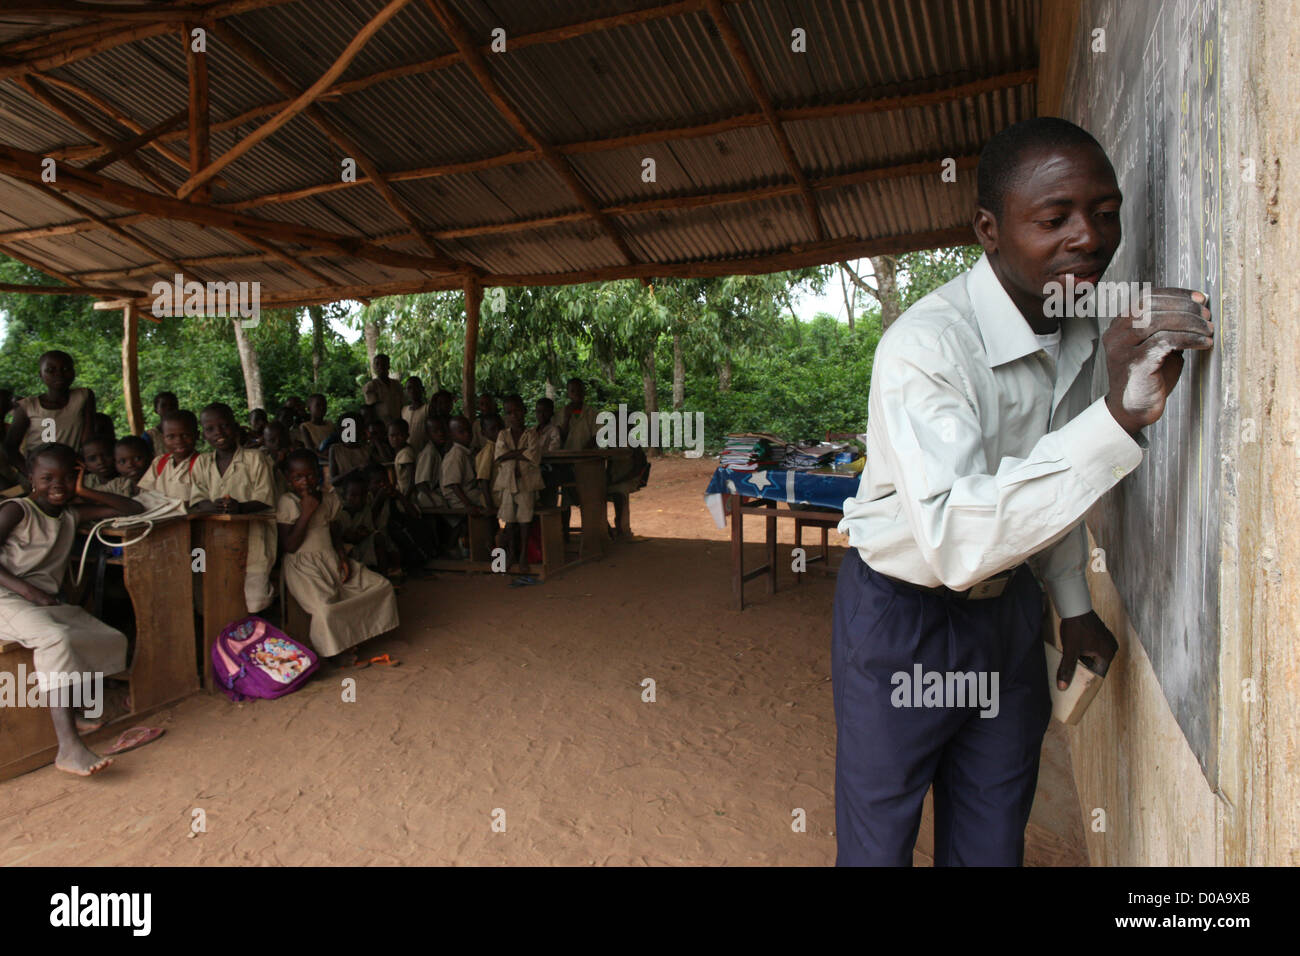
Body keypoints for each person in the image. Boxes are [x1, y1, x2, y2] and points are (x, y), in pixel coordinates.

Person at [832, 117, 1215, 867]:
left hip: (1008, 618)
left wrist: (1072, 608)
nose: (1089, 238)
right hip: (901, 620)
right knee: (879, 844)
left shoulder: (1077, 330)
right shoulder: (925, 348)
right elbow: (958, 541)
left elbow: (1045, 483)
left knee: (992, 838)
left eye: (1105, 213)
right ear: (989, 229)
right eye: (1055, 218)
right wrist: (1116, 416)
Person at [0, 443, 142, 775]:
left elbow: (132, 508)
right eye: (47, 478)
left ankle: (78, 711)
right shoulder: (17, 510)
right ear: (30, 477)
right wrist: (28, 590)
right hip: (7, 598)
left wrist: (85, 490)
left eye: (67, 478)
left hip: (35, 603)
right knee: (55, 639)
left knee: (107, 637)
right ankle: (68, 747)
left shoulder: (70, 513)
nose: (57, 485)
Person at [276, 450, 399, 660]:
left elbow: (333, 529)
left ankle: (356, 636)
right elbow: (290, 545)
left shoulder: (328, 498)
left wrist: (342, 556)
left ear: (319, 474)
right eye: (298, 477)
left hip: (330, 558)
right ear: (289, 480)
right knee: (326, 609)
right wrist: (306, 511)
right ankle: (336, 652)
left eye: (311, 475)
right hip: (303, 567)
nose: (306, 481)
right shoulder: (288, 502)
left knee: (381, 587)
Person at [189, 403, 277, 615]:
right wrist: (217, 506)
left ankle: (269, 600)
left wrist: (239, 507)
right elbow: (197, 500)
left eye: (224, 425)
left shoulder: (256, 459)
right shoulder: (201, 462)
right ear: (203, 435)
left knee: (255, 602)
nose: (218, 432)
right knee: (204, 597)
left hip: (254, 541)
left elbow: (265, 498)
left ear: (236, 427)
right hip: (211, 542)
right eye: (210, 429)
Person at [5, 350, 96, 467]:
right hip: (39, 469)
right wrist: (29, 474)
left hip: (72, 466)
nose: (59, 374)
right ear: (41, 375)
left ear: (74, 372)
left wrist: (86, 465)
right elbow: (10, 447)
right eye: (50, 370)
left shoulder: (84, 396)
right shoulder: (28, 406)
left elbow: (88, 440)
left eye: (65, 369)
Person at [495, 396, 543, 585]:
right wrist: (520, 453)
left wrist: (511, 455)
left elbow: (534, 456)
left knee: (525, 520)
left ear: (524, 411)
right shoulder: (502, 435)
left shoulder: (531, 434)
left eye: (517, 411)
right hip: (508, 483)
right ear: (505, 416)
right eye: (509, 413)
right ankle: (512, 553)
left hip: (526, 483)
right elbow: (499, 456)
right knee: (509, 520)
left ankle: (523, 554)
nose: (514, 416)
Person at [136, 409, 200, 501]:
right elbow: (145, 495)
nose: (178, 441)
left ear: (197, 435)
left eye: (185, 435)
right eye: (171, 436)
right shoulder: (159, 462)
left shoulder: (201, 464)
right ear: (163, 438)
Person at [327, 411, 372, 487]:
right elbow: (333, 481)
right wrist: (353, 471)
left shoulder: (367, 449)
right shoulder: (335, 449)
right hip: (344, 494)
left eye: (354, 428)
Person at [362, 354, 404, 424]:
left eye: (383, 363)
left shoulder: (397, 385)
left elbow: (402, 404)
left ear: (388, 365)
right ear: (374, 367)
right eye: (377, 364)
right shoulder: (371, 386)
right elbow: (370, 410)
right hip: (381, 426)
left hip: (397, 424)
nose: (380, 366)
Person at [474, 412, 503, 510]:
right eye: (493, 429)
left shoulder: (500, 447)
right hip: (494, 499)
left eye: (500, 428)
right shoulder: (489, 450)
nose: (498, 432)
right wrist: (490, 506)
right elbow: (483, 480)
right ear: (483, 433)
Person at [143, 391, 178, 456]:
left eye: (173, 405)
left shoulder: (184, 432)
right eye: (163, 405)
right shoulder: (150, 435)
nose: (169, 408)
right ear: (156, 410)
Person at [401, 377, 429, 456]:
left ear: (422, 389)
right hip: (408, 454)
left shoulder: (427, 409)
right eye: (409, 388)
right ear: (405, 391)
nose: (412, 391)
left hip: (424, 452)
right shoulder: (403, 410)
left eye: (416, 387)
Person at [388, 418, 416, 496]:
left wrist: (406, 497)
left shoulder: (406, 453)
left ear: (407, 436)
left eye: (399, 435)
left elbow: (412, 478)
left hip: (406, 493)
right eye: (392, 435)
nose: (395, 439)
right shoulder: (401, 451)